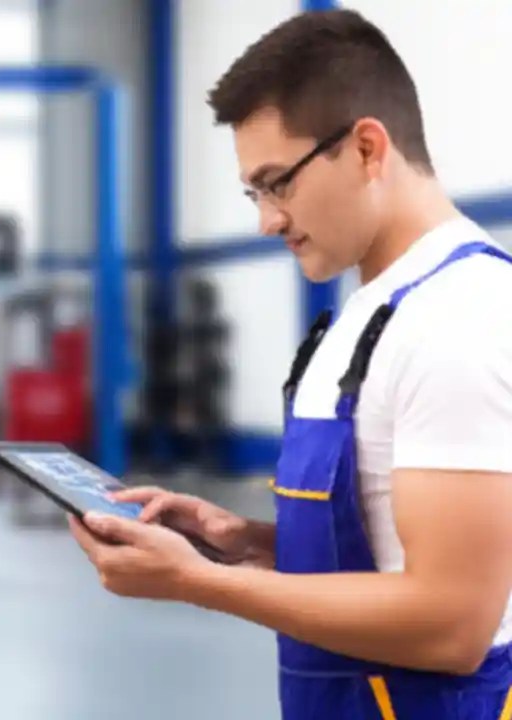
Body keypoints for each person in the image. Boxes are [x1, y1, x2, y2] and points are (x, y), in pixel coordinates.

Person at [68, 9, 512, 719]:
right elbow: (386, 548)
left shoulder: (458, 318)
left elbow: (451, 622)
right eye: (255, 193)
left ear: (368, 148)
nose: (266, 221)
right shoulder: (374, 311)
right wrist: (246, 544)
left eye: (278, 183)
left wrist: (196, 585)